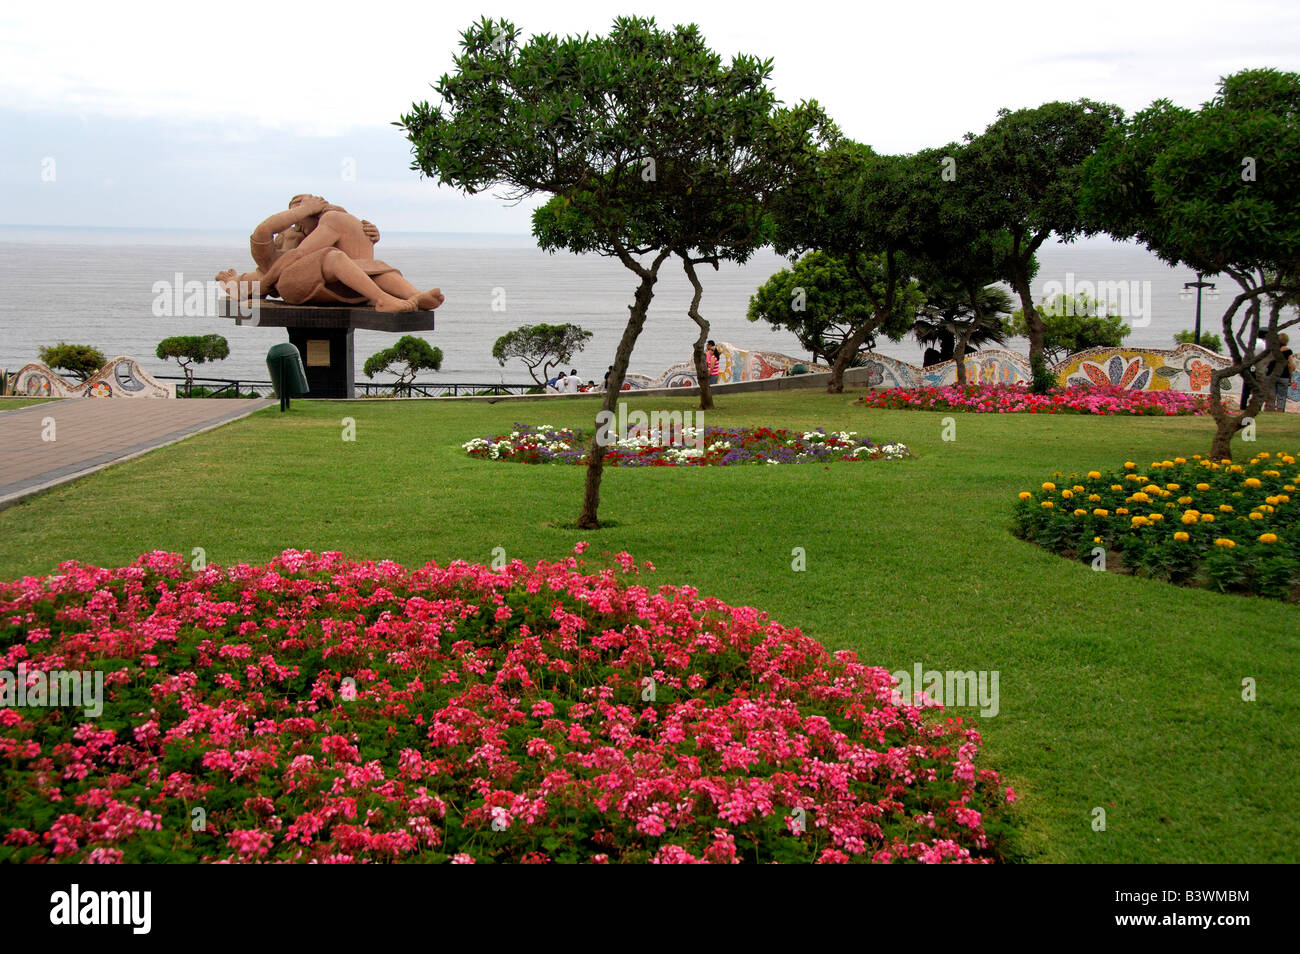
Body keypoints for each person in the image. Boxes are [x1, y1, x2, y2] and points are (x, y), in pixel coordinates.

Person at [217, 195, 445, 314]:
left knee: (366, 266)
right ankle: (383, 300)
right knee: (333, 257)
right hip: (294, 286)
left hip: (327, 285)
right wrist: (303, 210)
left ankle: (415, 295)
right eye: (295, 224)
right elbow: (263, 232)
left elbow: (308, 252)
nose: (301, 229)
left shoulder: (310, 253)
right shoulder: (270, 257)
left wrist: (363, 234)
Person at [1266, 333, 1294, 411]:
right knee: (1282, 396)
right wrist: (1291, 375)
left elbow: (1267, 363)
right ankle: (1280, 411)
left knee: (1271, 395)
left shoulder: (1272, 350)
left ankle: (1269, 410)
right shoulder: (1288, 351)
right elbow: (1290, 365)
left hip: (1271, 375)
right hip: (1284, 376)